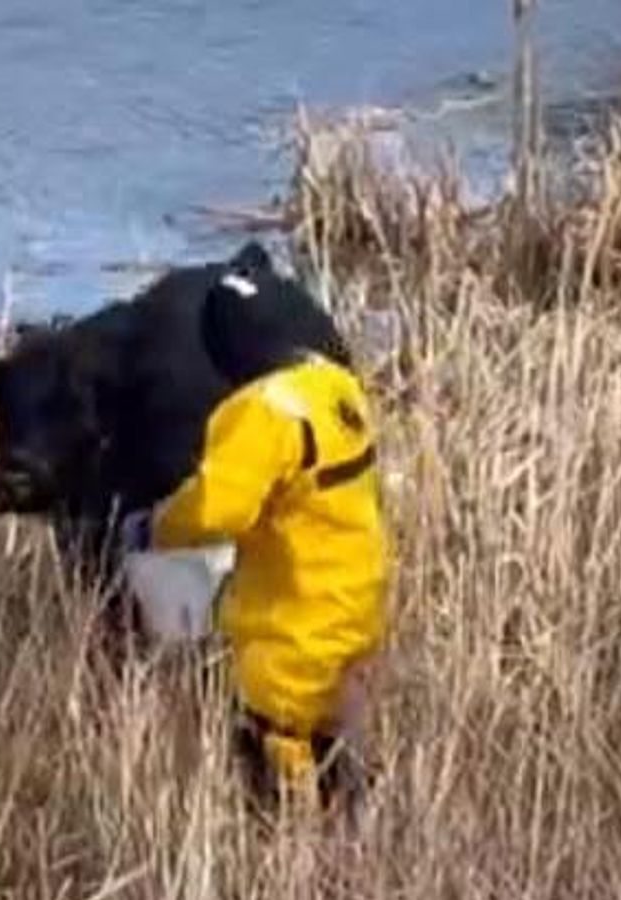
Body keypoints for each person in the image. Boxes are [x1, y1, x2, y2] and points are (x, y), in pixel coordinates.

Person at [121, 251, 390, 827]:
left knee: (273, 730)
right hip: (356, 601)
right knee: (333, 724)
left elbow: (217, 509)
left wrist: (155, 526)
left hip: (292, 618)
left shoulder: (261, 411)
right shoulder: (336, 389)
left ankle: (295, 844)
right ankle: (357, 827)